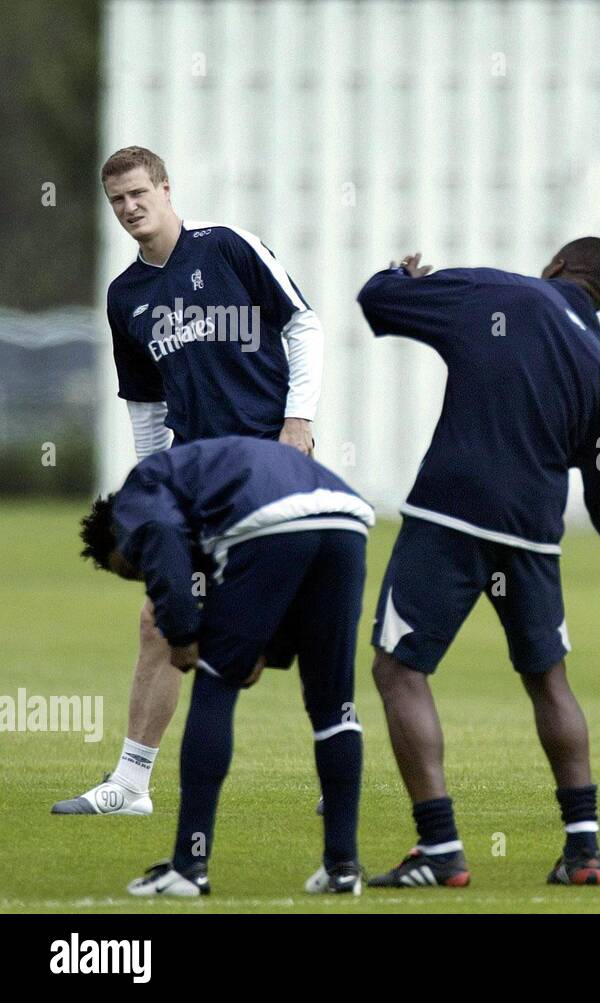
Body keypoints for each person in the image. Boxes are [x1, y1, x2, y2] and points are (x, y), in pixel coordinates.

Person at [357, 242, 600, 889]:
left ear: (554, 266)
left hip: (450, 515)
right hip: (534, 536)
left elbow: (379, 302)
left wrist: (398, 274)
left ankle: (440, 848)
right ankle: (582, 848)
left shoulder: (497, 292)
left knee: (399, 668)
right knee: (548, 680)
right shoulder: (599, 370)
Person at [54, 146, 324, 817]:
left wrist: (299, 419)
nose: (130, 207)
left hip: (270, 461)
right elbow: (145, 404)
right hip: (196, 478)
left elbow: (303, 322)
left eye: (140, 193)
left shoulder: (228, 248)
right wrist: (149, 489)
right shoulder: (125, 296)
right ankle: (130, 784)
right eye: (117, 200)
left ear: (167, 189)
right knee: (158, 616)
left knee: (302, 618)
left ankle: (332, 766)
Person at [78, 437, 374, 896]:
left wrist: (181, 634)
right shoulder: (205, 477)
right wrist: (269, 649)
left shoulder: (140, 491)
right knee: (334, 705)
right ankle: (343, 866)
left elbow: (159, 536)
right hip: (347, 518)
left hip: (266, 524)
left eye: (131, 571)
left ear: (118, 533)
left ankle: (188, 867)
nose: (141, 578)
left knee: (214, 683)